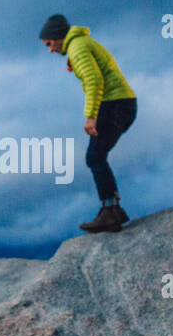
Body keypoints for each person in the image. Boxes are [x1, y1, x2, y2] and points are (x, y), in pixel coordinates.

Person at [39, 14, 137, 233]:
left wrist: (90, 116)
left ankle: (110, 211)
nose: (50, 49)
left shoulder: (77, 48)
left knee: (95, 157)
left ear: (57, 37)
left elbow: (94, 80)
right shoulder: (80, 44)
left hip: (115, 104)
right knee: (97, 155)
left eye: (49, 43)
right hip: (123, 103)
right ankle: (113, 209)